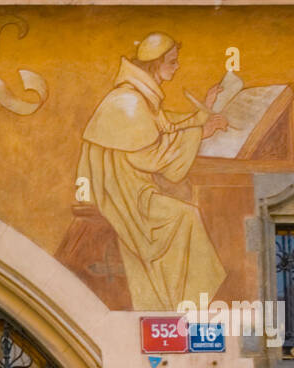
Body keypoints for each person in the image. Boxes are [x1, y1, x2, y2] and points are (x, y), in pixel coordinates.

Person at [78, 33, 229, 310]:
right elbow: (153, 157)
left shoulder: (140, 98)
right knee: (187, 215)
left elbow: (166, 126)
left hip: (133, 187)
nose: (177, 66)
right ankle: (185, 304)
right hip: (124, 194)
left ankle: (182, 302)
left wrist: (204, 113)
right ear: (153, 65)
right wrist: (199, 134)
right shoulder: (127, 102)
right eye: (172, 61)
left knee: (186, 207)